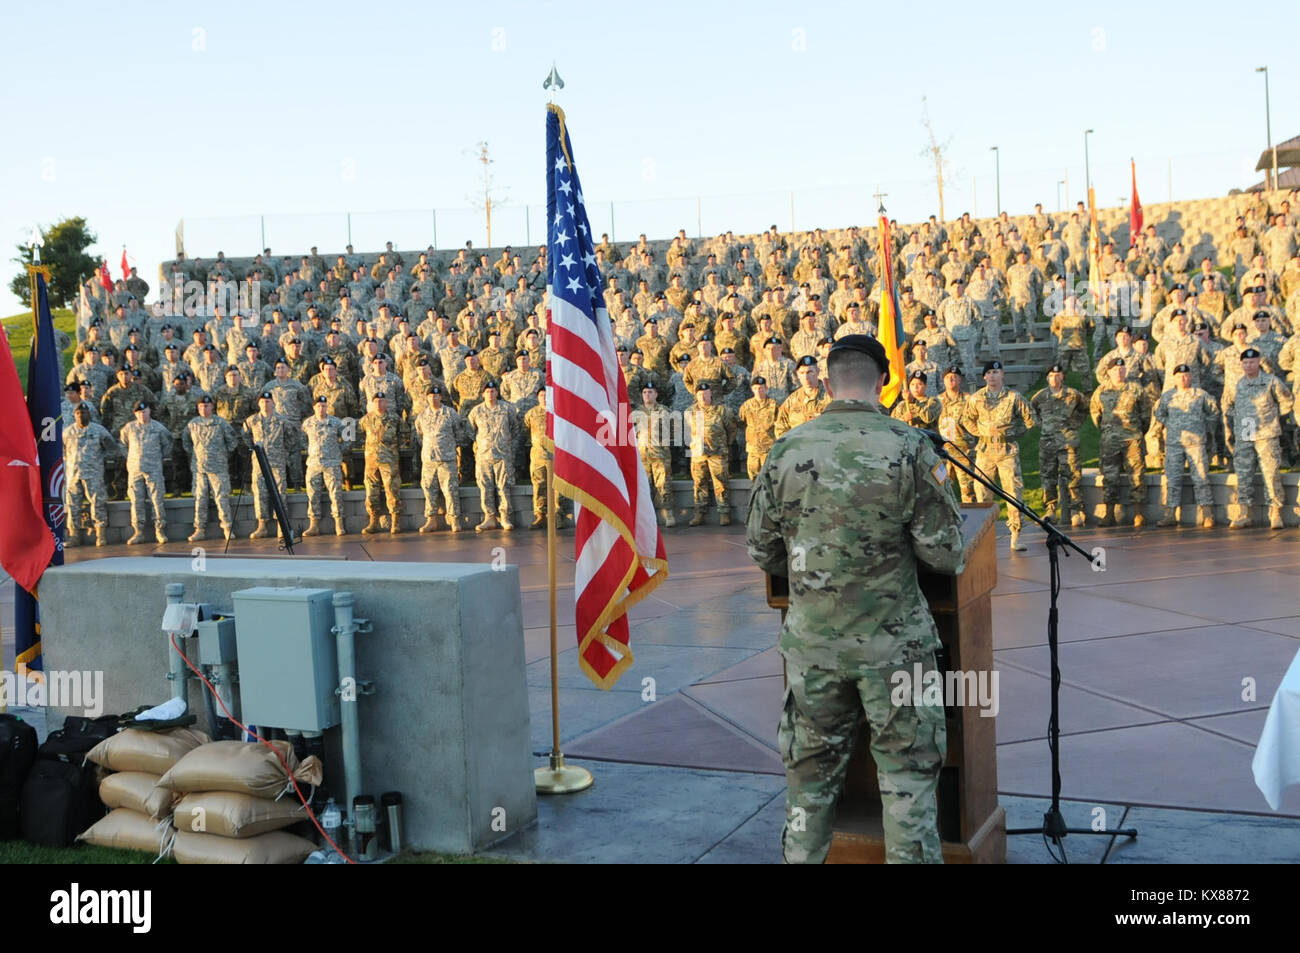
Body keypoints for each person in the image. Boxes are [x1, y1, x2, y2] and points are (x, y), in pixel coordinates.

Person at [745, 334, 965, 865]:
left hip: (813, 647)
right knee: (908, 782)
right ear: (883, 382)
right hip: (895, 652)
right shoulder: (912, 447)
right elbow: (947, 553)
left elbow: (762, 548)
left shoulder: (787, 449)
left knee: (809, 785)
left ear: (825, 381)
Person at [962, 360, 1037, 551]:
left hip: (1007, 451)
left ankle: (1016, 535)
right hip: (985, 452)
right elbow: (966, 419)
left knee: (1013, 492)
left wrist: (1013, 434)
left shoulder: (1014, 397)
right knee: (982, 493)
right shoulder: (976, 398)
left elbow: (1031, 420)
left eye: (996, 372)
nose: (993, 376)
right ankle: (985, 535)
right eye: (989, 373)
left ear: (1003, 374)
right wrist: (981, 433)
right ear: (984, 377)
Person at [1223, 347, 1294, 529]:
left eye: (1252, 362)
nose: (1248, 365)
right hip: (1244, 435)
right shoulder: (1237, 384)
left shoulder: (1270, 381)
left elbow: (1287, 400)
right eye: (1245, 362)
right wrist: (1237, 420)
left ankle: (1275, 512)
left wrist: (1274, 418)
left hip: (1266, 435)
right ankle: (1245, 513)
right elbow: (1228, 405)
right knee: (1244, 475)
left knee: (1270, 474)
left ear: (1258, 362)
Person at [1153, 364, 1218, 528]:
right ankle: (1170, 514)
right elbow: (1159, 413)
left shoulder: (1201, 395)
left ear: (1191, 377)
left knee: (1201, 478)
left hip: (1195, 444)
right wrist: (1170, 424)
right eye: (1179, 376)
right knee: (1172, 479)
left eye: (1186, 375)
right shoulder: (1168, 397)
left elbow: (1214, 412)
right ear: (1174, 378)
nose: (1183, 379)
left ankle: (1207, 513)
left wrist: (1203, 426)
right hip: (1174, 444)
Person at [1030, 364, 1089, 527]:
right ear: (1047, 378)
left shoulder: (1073, 394)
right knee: (1048, 477)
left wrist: (1075, 424)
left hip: (1068, 443)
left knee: (1073, 476)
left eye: (1058, 375)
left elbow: (1085, 408)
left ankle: (1076, 511)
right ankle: (1050, 510)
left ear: (1062, 377)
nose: (1054, 378)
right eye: (1051, 375)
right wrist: (1041, 424)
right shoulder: (1040, 396)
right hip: (1047, 443)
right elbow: (1031, 411)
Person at [184, 394, 240, 541]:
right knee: (200, 499)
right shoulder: (192, 424)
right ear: (197, 408)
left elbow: (232, 442)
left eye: (207, 406)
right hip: (199, 469)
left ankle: (227, 528)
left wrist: (221, 455)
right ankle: (199, 529)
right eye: (201, 406)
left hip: (218, 468)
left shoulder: (221, 423)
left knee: (222, 498)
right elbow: (187, 444)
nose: (204, 408)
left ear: (212, 407)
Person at [64, 402, 120, 547]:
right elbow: (63, 452)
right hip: (74, 475)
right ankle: (73, 535)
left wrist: (100, 462)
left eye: (83, 413)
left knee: (98, 504)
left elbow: (112, 448)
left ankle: (100, 535)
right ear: (74, 415)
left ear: (89, 414)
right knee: (72, 506)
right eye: (78, 413)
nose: (81, 415)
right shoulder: (67, 433)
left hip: (93, 475)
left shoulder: (99, 431)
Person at [467, 380, 518, 531]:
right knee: (485, 487)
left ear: (497, 392)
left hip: (503, 456)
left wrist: (505, 443)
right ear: (483, 394)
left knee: (503, 486)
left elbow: (515, 428)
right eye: (487, 392)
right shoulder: (476, 411)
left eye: (493, 391)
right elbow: (470, 431)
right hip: (484, 456)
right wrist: (481, 444)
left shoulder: (507, 409)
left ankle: (504, 517)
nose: (490, 394)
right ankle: (489, 517)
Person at [118, 401, 172, 545]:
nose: (142, 415)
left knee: (156, 500)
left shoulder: (159, 428)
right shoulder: (128, 428)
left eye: (145, 411)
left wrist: (157, 458)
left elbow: (167, 445)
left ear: (149, 411)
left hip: (154, 469)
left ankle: (159, 530)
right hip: (135, 470)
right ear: (135, 414)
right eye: (139, 412)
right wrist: (131, 459)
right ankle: (138, 532)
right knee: (136, 501)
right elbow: (122, 445)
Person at [242, 391, 294, 539]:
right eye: (263, 402)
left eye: (268, 401)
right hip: (259, 463)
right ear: (259, 404)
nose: (266, 404)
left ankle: (281, 525)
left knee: (279, 493)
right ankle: (262, 526)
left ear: (273, 403)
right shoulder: (251, 421)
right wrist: (254, 450)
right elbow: (246, 437)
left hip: (277, 462)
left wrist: (282, 451)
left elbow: (291, 437)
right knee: (260, 493)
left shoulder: (282, 420)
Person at [301, 394, 352, 536]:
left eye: (324, 406)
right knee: (312, 494)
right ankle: (314, 525)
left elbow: (348, 439)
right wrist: (310, 451)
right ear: (314, 407)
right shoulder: (307, 423)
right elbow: (301, 439)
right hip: (314, 464)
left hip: (332, 463)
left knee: (336, 494)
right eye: (318, 406)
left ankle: (338, 524)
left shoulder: (336, 422)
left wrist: (338, 451)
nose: (321, 408)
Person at [358, 392, 407, 534]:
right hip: (371, 462)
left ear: (386, 403)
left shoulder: (394, 419)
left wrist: (395, 448)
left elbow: (404, 434)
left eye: (382, 401)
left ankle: (395, 522)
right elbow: (358, 435)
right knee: (371, 492)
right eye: (377, 401)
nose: (379, 404)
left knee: (392, 490)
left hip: (389, 461)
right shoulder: (366, 419)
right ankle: (373, 522)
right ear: (373, 403)